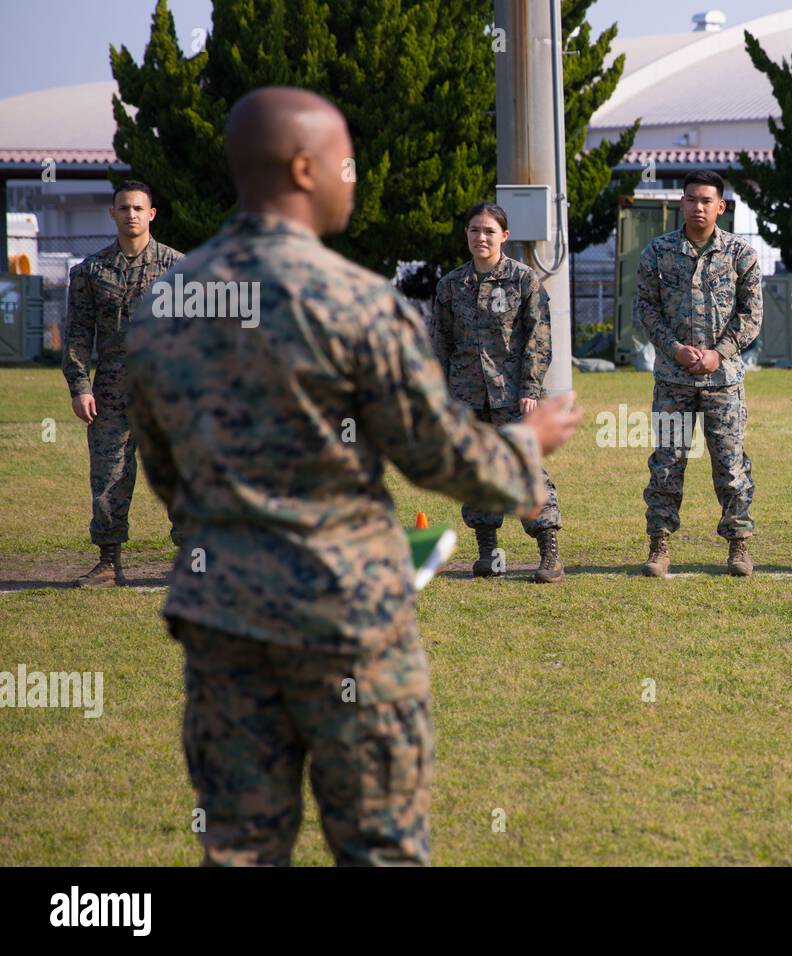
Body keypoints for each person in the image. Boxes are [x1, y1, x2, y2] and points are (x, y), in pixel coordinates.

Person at [125, 86, 581, 866]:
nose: (354, 178)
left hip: (223, 622)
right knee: (380, 846)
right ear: (303, 168)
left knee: (237, 847)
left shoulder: (166, 302)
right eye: (346, 163)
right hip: (346, 622)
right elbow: (437, 455)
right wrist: (526, 445)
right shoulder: (355, 303)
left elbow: (165, 466)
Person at [635, 169, 762, 577]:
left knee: (730, 465)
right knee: (667, 464)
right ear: (682, 203)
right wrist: (673, 348)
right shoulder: (658, 252)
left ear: (721, 207)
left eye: (706, 200)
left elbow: (751, 314)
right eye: (691, 199)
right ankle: (659, 544)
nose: (698, 207)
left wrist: (718, 353)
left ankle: (738, 545)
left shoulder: (741, 255)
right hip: (673, 381)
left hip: (722, 383)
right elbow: (646, 309)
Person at [431, 202, 564, 583]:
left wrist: (531, 388)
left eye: (489, 231)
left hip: (512, 394)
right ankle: (488, 554)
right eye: (474, 230)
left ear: (504, 236)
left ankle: (549, 553)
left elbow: (539, 339)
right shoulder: (451, 285)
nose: (481, 238)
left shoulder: (524, 281)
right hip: (466, 396)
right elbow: (439, 342)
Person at [62, 180, 183, 586]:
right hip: (111, 389)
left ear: (151, 214)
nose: (130, 214)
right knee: (109, 474)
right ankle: (109, 562)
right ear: (112, 214)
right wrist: (80, 386)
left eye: (138, 208)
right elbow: (78, 335)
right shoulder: (90, 272)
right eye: (123, 207)